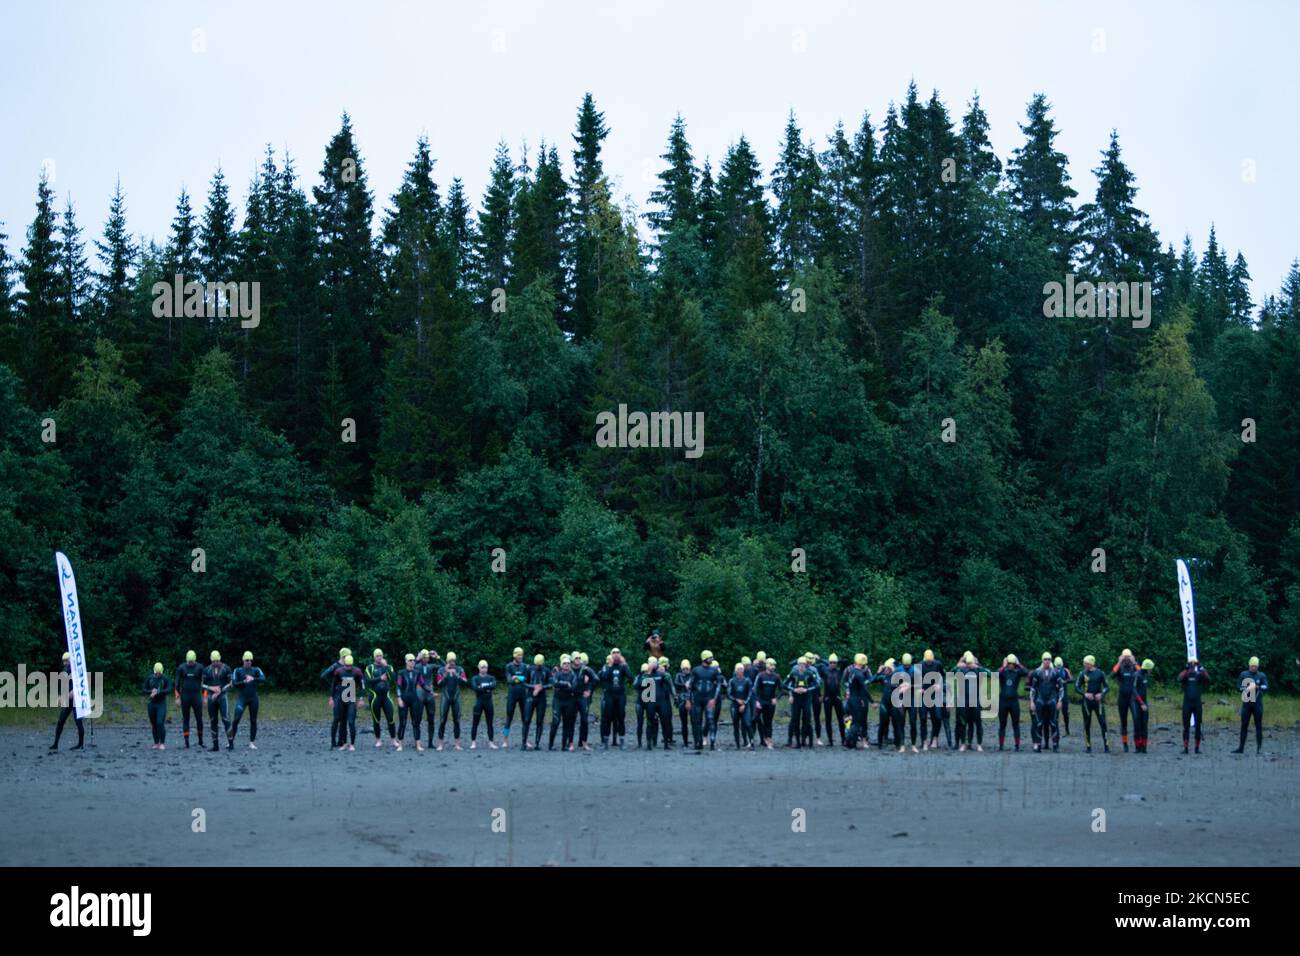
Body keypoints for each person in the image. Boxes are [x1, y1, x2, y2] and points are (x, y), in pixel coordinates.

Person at [228, 651, 266, 750]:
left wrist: (253, 679)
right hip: (242, 698)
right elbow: (234, 683)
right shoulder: (238, 670)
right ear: (243, 660)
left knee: (253, 720)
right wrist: (244, 681)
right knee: (236, 720)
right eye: (247, 660)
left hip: (253, 699)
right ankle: (231, 741)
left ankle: (252, 743)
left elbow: (263, 679)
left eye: (250, 660)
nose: (249, 662)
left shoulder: (256, 670)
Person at [50, 652, 86, 752]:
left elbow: (80, 683)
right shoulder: (65, 671)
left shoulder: (76, 670)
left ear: (70, 660)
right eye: (64, 661)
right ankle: (55, 744)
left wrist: (74, 691)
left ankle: (80, 744)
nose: (64, 663)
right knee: (60, 721)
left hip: (76, 699)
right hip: (68, 699)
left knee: (78, 722)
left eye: (66, 661)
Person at [1074, 655, 1110, 753]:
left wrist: (1101, 694)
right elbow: (1076, 687)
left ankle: (1106, 746)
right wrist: (1084, 694)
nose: (1084, 665)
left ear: (1091, 663)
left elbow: (1107, 687)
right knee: (1087, 724)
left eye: (1086, 663)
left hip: (1098, 702)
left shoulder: (1100, 673)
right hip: (1086, 703)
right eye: (1084, 663)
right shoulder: (1082, 673)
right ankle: (1088, 747)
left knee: (1103, 723)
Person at [597, 648, 633, 748]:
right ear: (611, 655)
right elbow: (603, 678)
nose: (616, 655)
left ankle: (621, 742)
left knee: (621, 717)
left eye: (618, 653)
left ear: (620, 655)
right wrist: (610, 665)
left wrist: (625, 664)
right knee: (607, 718)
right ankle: (605, 742)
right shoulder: (607, 666)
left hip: (620, 696)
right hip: (609, 696)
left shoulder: (623, 667)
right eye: (614, 653)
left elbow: (631, 679)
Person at [783, 656, 821, 749]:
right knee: (795, 720)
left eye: (803, 664)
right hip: (796, 699)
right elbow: (784, 684)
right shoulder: (793, 673)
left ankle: (809, 742)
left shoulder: (810, 673)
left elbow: (817, 684)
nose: (802, 666)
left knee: (807, 719)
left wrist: (807, 689)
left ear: (806, 665)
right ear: (798, 665)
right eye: (800, 664)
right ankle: (798, 742)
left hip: (806, 698)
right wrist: (794, 689)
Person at [954, 652, 989, 751]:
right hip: (964, 701)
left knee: (977, 723)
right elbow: (951, 672)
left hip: (975, 700)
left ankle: (979, 744)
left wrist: (978, 666)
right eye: (967, 663)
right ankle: (963, 744)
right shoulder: (962, 670)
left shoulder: (978, 671)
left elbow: (990, 674)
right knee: (962, 723)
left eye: (971, 663)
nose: (969, 665)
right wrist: (958, 663)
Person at [1028, 653, 1063, 753]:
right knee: (1039, 723)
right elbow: (1033, 689)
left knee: (1053, 723)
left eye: (1049, 659)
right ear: (1042, 660)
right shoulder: (1037, 673)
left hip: (1052, 701)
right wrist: (1032, 702)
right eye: (1045, 659)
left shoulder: (1056, 673)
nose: (1047, 661)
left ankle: (1055, 745)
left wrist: (1060, 701)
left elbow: (1061, 688)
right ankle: (1038, 745)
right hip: (1040, 701)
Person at [1233, 656, 1268, 754]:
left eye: (1255, 666)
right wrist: (1246, 688)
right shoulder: (1244, 674)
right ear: (1249, 665)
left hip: (1257, 705)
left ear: (1258, 666)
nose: (1254, 668)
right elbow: (1237, 687)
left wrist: (1257, 686)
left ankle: (1259, 749)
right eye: (1252, 666)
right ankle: (1241, 748)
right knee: (1244, 725)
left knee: (1258, 726)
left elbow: (1266, 687)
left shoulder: (1261, 675)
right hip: (1247, 704)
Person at [689, 653, 723, 751]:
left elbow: (719, 685)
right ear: (705, 658)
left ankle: (712, 743)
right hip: (697, 700)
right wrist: (689, 700)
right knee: (697, 721)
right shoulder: (696, 670)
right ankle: (698, 743)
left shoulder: (714, 670)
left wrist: (714, 699)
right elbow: (691, 685)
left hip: (709, 699)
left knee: (711, 720)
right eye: (710, 657)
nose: (712, 659)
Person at [332, 654, 365, 752]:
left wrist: (362, 699)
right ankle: (344, 743)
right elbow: (334, 685)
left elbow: (362, 686)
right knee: (342, 722)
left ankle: (352, 744)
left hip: (351, 699)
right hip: (341, 699)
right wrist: (331, 697)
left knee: (351, 722)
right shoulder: (339, 671)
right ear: (344, 664)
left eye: (350, 666)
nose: (348, 668)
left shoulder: (357, 671)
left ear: (352, 664)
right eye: (346, 666)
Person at [436, 652, 468, 751]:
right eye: (450, 661)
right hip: (445, 697)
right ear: (447, 661)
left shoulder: (459, 669)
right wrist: (445, 674)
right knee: (442, 720)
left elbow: (465, 681)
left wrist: (457, 675)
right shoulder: (441, 670)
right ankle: (440, 744)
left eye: (453, 661)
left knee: (457, 720)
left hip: (456, 697)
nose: (452, 663)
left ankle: (457, 744)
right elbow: (438, 683)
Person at [366, 649, 397, 748]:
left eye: (380, 656)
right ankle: (378, 740)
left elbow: (394, 678)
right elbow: (368, 681)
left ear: (383, 657)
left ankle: (393, 740)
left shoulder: (388, 667)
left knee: (391, 718)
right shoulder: (370, 667)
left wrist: (386, 666)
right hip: (375, 697)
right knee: (376, 719)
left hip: (386, 697)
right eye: (377, 656)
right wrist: (380, 678)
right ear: (374, 657)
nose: (379, 658)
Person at [203, 650, 233, 752]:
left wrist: (220, 690)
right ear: (211, 660)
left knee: (226, 719)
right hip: (212, 697)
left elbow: (231, 683)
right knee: (213, 720)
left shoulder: (226, 668)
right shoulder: (206, 670)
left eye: (217, 661)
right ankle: (215, 746)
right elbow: (202, 684)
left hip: (222, 696)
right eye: (214, 661)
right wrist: (212, 689)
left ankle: (231, 744)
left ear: (220, 659)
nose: (215, 663)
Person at [996, 654, 1028, 751]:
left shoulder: (1017, 672)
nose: (1010, 665)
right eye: (1009, 663)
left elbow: (1026, 672)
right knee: (1002, 724)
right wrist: (1004, 665)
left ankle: (1017, 745)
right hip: (1003, 702)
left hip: (1014, 702)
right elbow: (995, 674)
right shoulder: (1003, 673)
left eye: (1012, 664)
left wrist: (1019, 664)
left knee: (1016, 724)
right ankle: (1001, 745)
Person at [1178, 657, 1210, 754]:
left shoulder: (1199, 675)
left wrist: (1201, 667)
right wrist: (1186, 669)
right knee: (1186, 726)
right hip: (1187, 703)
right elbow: (1179, 678)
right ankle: (1186, 748)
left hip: (1197, 703)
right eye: (1191, 664)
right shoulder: (1186, 675)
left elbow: (1208, 679)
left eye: (1194, 664)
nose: (1192, 666)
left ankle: (1197, 748)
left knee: (1198, 726)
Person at [175, 650, 206, 749]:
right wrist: (177, 697)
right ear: (186, 660)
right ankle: (186, 742)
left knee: (199, 718)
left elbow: (204, 683)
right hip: (185, 696)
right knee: (186, 719)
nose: (190, 664)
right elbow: (176, 684)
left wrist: (205, 697)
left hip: (196, 695)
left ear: (195, 660)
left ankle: (200, 741)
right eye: (189, 662)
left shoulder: (200, 667)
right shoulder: (181, 668)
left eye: (192, 662)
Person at [395, 653, 425, 751]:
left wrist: (431, 692)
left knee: (416, 722)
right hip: (404, 699)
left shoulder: (417, 672)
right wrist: (399, 698)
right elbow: (398, 687)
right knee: (402, 722)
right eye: (410, 660)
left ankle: (418, 745)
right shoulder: (401, 673)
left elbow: (423, 684)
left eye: (413, 660)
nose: (412, 662)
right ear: (406, 661)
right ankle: (400, 745)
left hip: (414, 699)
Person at [521, 654, 551, 751]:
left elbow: (551, 684)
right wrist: (533, 687)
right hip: (530, 697)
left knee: (539, 721)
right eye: (536, 665)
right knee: (526, 720)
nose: (538, 667)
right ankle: (524, 743)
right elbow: (524, 682)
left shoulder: (546, 670)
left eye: (539, 665)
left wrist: (542, 687)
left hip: (541, 698)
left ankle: (537, 743)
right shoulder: (529, 669)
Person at [842, 654, 872, 749]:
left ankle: (851, 742)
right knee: (856, 722)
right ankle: (849, 742)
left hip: (851, 698)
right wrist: (872, 701)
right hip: (857, 700)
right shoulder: (859, 674)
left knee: (853, 721)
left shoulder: (852, 671)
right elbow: (864, 689)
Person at [1113, 649, 1140, 752]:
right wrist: (1119, 662)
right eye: (1125, 658)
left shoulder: (1134, 667)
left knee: (1136, 721)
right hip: (1122, 698)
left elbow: (1142, 673)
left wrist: (1134, 662)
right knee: (1123, 722)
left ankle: (1137, 744)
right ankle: (1125, 744)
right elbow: (1112, 674)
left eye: (1128, 658)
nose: (1127, 660)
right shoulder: (1120, 667)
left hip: (1132, 698)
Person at [502, 647, 529, 748]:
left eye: (521, 655)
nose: (521, 657)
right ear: (514, 656)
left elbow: (526, 678)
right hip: (512, 695)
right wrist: (519, 678)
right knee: (509, 717)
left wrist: (516, 678)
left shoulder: (525, 666)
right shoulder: (509, 666)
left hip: (523, 694)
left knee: (525, 718)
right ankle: (505, 740)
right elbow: (509, 680)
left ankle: (525, 740)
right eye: (519, 655)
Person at [753, 659, 782, 749]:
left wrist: (776, 698)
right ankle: (754, 739)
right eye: (771, 665)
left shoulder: (776, 676)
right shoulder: (761, 675)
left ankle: (769, 740)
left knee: (768, 722)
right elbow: (755, 689)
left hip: (770, 702)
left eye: (774, 665)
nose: (773, 667)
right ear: (767, 665)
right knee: (755, 719)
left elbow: (781, 689)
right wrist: (757, 701)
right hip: (761, 701)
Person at [469, 660, 498, 750]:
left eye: (485, 667)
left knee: (490, 723)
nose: (484, 669)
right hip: (479, 702)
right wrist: (487, 688)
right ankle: (473, 742)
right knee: (475, 723)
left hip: (488, 702)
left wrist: (482, 687)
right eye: (482, 667)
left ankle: (491, 742)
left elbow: (493, 686)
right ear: (479, 668)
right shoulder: (475, 678)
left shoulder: (491, 677)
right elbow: (475, 687)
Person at [144, 662, 171, 749]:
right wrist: (151, 692)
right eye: (157, 673)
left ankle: (162, 743)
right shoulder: (150, 678)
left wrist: (158, 691)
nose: (158, 674)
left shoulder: (165, 679)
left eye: (160, 673)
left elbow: (169, 689)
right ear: (154, 671)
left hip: (161, 703)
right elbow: (143, 689)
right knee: (154, 724)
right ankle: (156, 743)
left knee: (160, 722)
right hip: (152, 704)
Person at [727, 663, 755, 749]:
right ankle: (738, 745)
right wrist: (736, 700)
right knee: (736, 725)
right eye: (738, 670)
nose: (740, 672)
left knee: (748, 724)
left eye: (741, 670)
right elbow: (729, 694)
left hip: (745, 705)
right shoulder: (732, 681)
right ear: (735, 671)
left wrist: (744, 703)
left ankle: (752, 743)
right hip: (734, 705)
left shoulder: (747, 681)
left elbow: (750, 694)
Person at [574, 652, 597, 751]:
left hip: (585, 697)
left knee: (584, 720)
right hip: (574, 697)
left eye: (585, 663)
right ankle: (570, 742)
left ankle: (582, 742)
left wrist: (589, 690)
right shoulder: (576, 670)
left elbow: (595, 679)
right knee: (571, 719)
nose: (583, 665)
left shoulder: (588, 671)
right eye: (582, 663)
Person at [821, 654, 845, 747]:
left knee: (841, 720)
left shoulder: (839, 671)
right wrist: (824, 660)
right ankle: (830, 741)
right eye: (831, 662)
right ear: (828, 663)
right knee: (828, 720)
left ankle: (843, 739)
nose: (832, 664)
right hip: (827, 699)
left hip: (837, 698)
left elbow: (845, 662)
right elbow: (818, 665)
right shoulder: (825, 671)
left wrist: (838, 662)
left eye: (834, 662)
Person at [1133, 658, 1153, 754]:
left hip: (1144, 703)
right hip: (1137, 704)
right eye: (1150, 669)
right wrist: (1141, 703)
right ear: (1147, 668)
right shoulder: (1137, 675)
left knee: (1144, 725)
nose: (1151, 671)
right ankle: (1137, 747)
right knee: (1137, 725)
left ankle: (1144, 747)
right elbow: (1134, 691)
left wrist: (1144, 704)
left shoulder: (1145, 676)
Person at [674, 659, 693, 748]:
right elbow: (675, 683)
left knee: (695, 721)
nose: (686, 670)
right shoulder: (678, 675)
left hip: (692, 699)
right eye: (684, 669)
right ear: (682, 669)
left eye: (687, 668)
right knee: (684, 722)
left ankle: (697, 740)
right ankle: (685, 742)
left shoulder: (692, 675)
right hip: (682, 700)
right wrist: (684, 684)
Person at [1054, 656, 1072, 736]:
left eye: (1060, 666)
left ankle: (1067, 729)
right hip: (1055, 695)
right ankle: (1055, 730)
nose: (1058, 667)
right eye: (1057, 666)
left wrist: (1065, 681)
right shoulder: (1052, 670)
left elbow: (1071, 679)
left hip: (1064, 695)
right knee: (1055, 713)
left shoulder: (1065, 670)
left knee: (1065, 713)